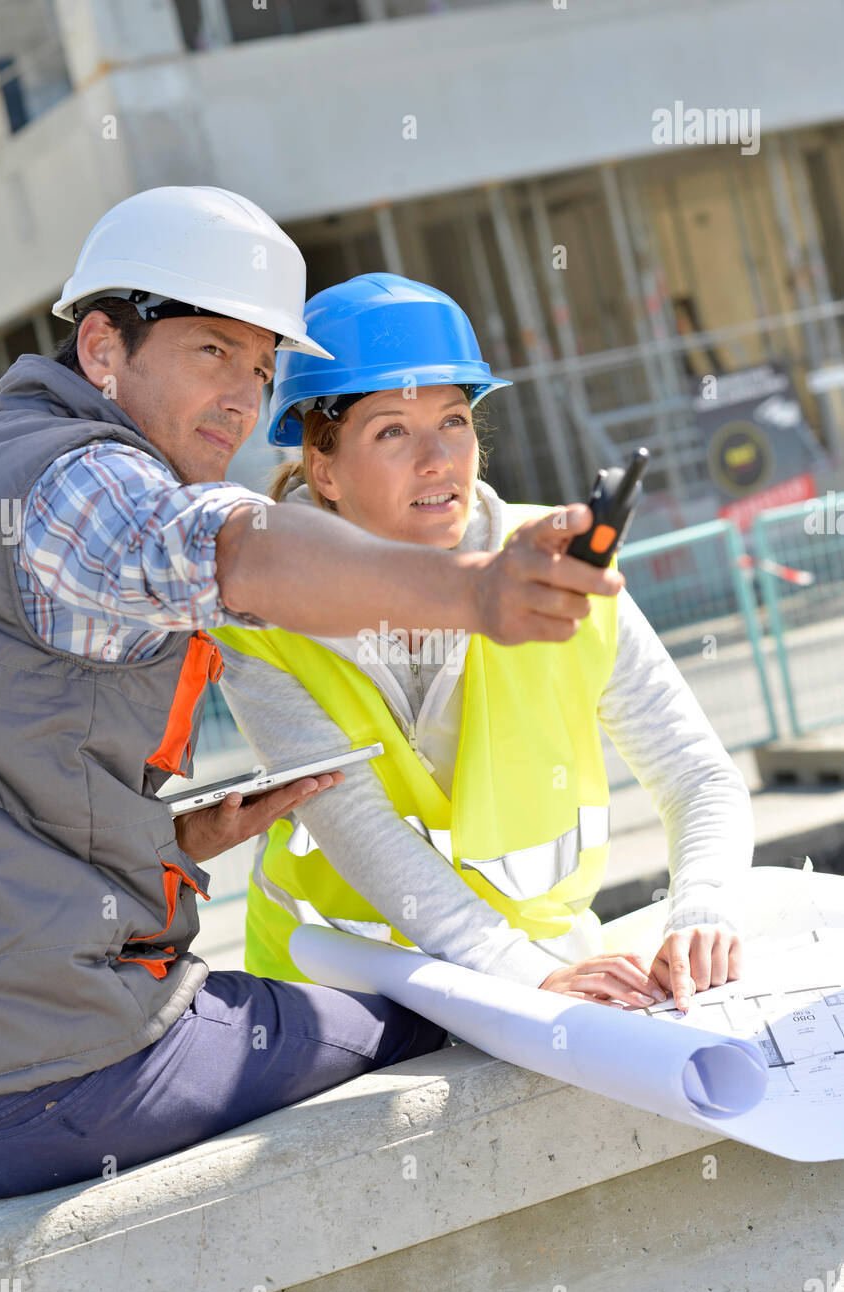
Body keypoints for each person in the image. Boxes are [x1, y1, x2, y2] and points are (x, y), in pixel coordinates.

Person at [0, 189, 622, 1201]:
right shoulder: (79, 482)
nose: (244, 399)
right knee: (445, 1028)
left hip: (8, 1046)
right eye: (212, 353)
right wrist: (472, 590)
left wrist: (170, 840)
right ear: (103, 347)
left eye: (263, 367)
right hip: (52, 1075)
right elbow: (228, 546)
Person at [212, 273, 756, 1013]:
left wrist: (703, 908)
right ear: (324, 469)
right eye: (392, 431)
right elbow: (358, 827)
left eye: (455, 420)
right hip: (336, 999)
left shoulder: (563, 569)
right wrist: (522, 975)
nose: (438, 458)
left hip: (536, 986)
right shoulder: (259, 619)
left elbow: (695, 776)